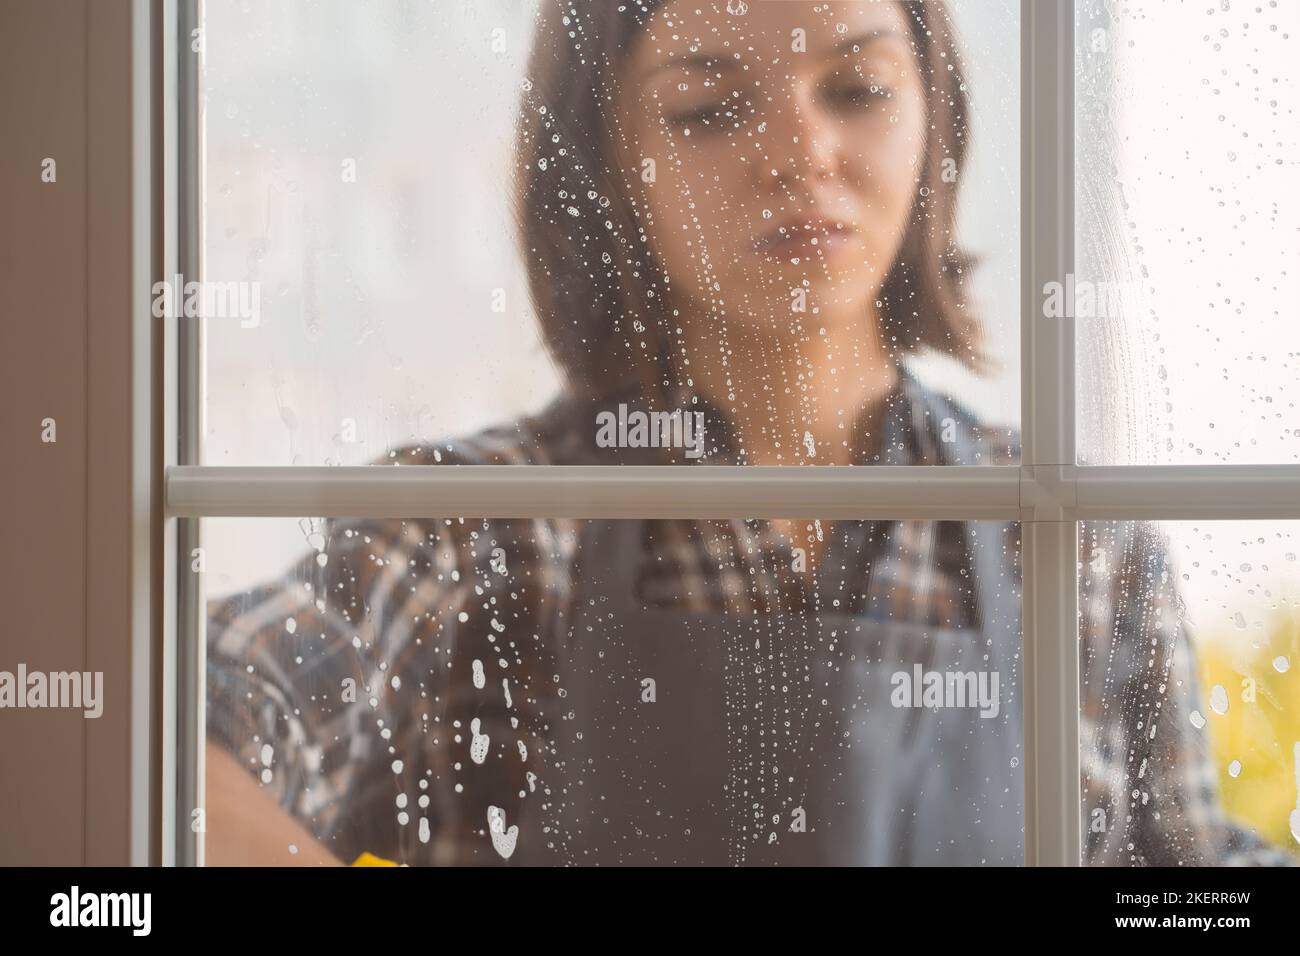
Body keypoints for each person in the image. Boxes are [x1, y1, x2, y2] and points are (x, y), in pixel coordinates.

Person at [204, 0, 1290, 866]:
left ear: (936, 119)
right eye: (707, 108)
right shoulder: (475, 529)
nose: (799, 149)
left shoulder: (1077, 549)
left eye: (857, 87)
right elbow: (155, 732)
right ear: (602, 161)